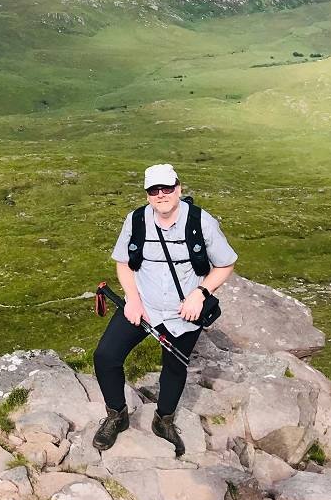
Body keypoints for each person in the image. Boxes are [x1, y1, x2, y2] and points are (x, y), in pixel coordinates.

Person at [91, 163, 238, 456]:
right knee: (105, 356)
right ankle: (116, 416)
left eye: (167, 188)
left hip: (184, 312)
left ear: (178, 189)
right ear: (148, 195)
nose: (161, 195)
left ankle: (164, 420)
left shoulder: (200, 222)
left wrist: (200, 293)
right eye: (154, 190)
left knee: (174, 366)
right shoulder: (136, 221)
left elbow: (225, 264)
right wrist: (132, 298)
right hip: (142, 306)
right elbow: (123, 263)